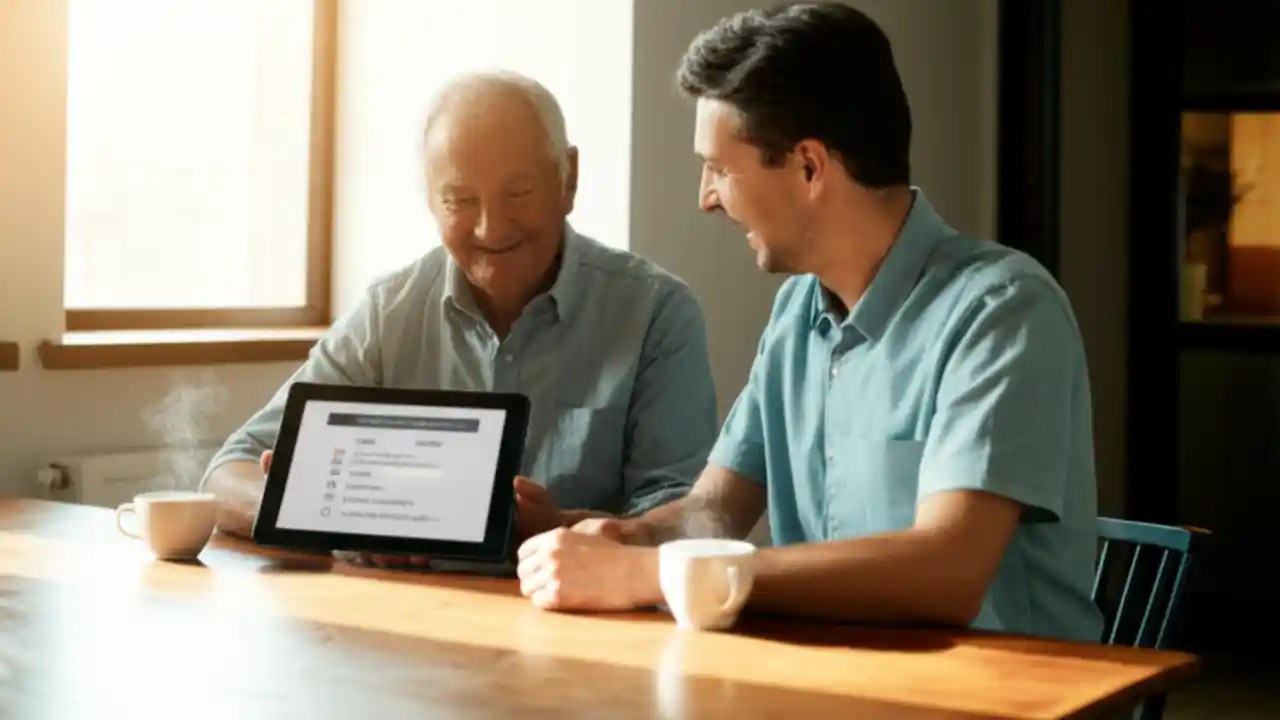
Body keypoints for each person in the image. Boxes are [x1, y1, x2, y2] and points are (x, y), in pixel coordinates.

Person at [515, 2, 1105, 642]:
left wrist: (653, 574)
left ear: (809, 167)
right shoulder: (798, 311)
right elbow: (716, 509)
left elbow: (948, 570)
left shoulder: (1002, 310)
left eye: (718, 167)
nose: (706, 197)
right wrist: (612, 537)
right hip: (833, 683)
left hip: (1009, 697)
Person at [202, 70, 718, 548]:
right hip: (405, 613)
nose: (491, 229)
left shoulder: (654, 311)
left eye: (518, 193)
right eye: (460, 201)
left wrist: (564, 530)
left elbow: (688, 516)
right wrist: (332, 514)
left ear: (569, 179)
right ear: (429, 199)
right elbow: (230, 471)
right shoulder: (390, 312)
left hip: (585, 613)